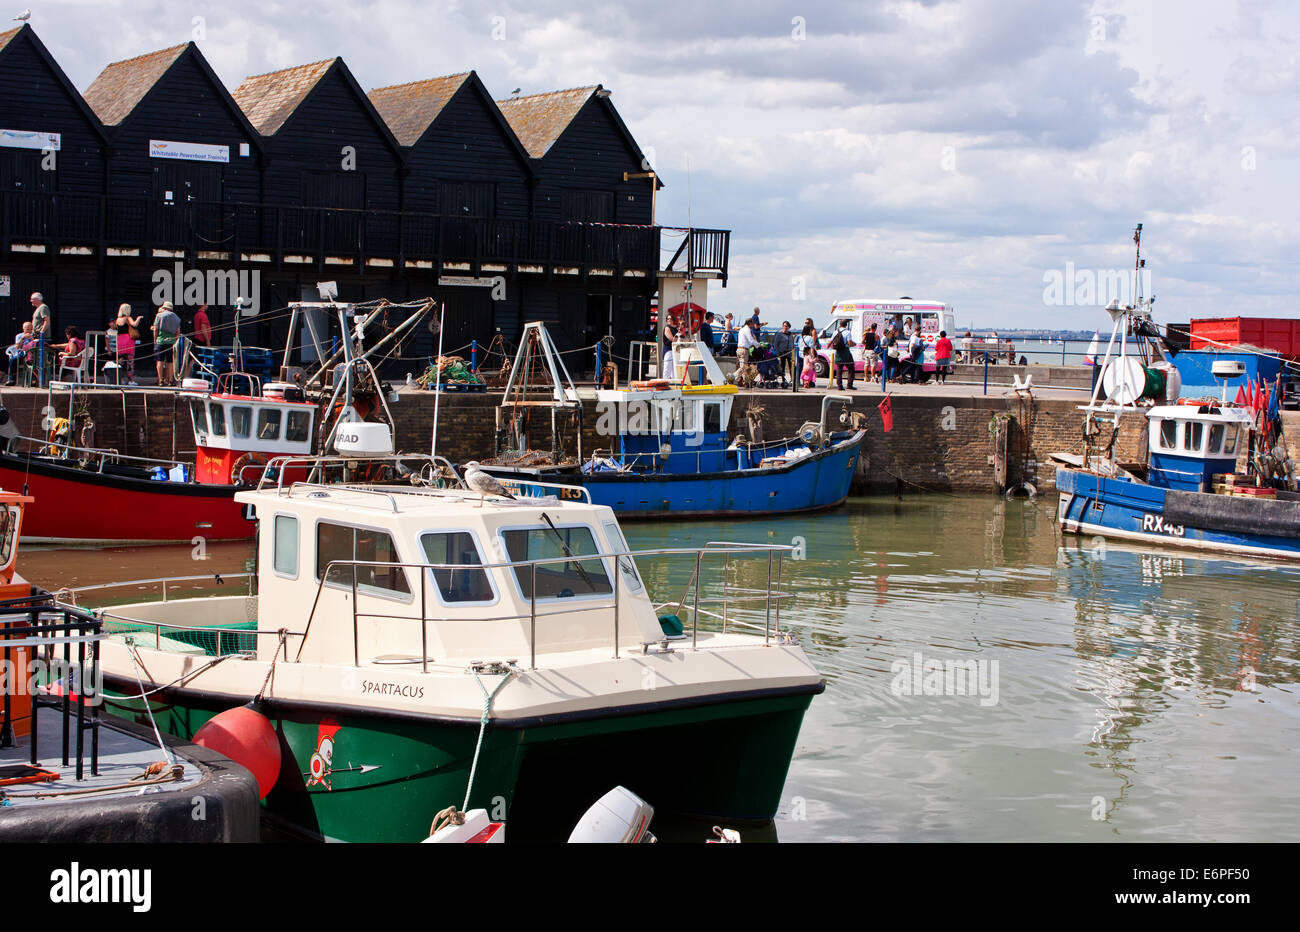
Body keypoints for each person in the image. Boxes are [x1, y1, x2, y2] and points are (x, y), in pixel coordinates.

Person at [153, 300, 181, 386]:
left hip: (160, 341)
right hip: (172, 342)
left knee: (160, 362)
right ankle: (170, 380)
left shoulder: (159, 315)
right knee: (170, 362)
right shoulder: (177, 318)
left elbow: (155, 329)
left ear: (164, 308)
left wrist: (155, 340)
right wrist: (176, 341)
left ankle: (160, 380)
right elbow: (178, 332)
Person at [113, 302, 141, 384]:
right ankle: (130, 380)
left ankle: (119, 379)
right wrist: (139, 318)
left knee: (120, 361)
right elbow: (134, 324)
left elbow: (116, 328)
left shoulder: (117, 320)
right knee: (130, 362)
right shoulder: (128, 318)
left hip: (120, 340)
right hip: (128, 340)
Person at [794, 319, 819, 389]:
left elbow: (798, 345)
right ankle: (808, 382)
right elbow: (812, 347)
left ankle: (798, 381)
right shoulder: (810, 338)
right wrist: (813, 355)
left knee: (801, 368)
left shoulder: (800, 337)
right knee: (809, 369)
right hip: (807, 355)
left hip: (800, 354)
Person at [831, 320, 855, 390]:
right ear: (846, 325)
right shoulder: (847, 332)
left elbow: (830, 342)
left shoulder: (835, 332)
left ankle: (839, 385)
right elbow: (849, 342)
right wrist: (855, 344)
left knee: (839, 369)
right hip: (846, 351)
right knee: (851, 368)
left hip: (838, 351)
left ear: (840, 324)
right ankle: (849, 384)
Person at [772, 321, 795, 388]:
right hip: (782, 353)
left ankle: (792, 380)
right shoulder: (779, 334)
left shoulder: (790, 334)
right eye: (784, 326)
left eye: (786, 326)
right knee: (782, 367)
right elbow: (776, 344)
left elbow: (792, 343)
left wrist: (792, 350)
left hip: (789, 353)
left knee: (791, 366)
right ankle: (783, 380)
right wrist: (778, 353)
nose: (785, 327)